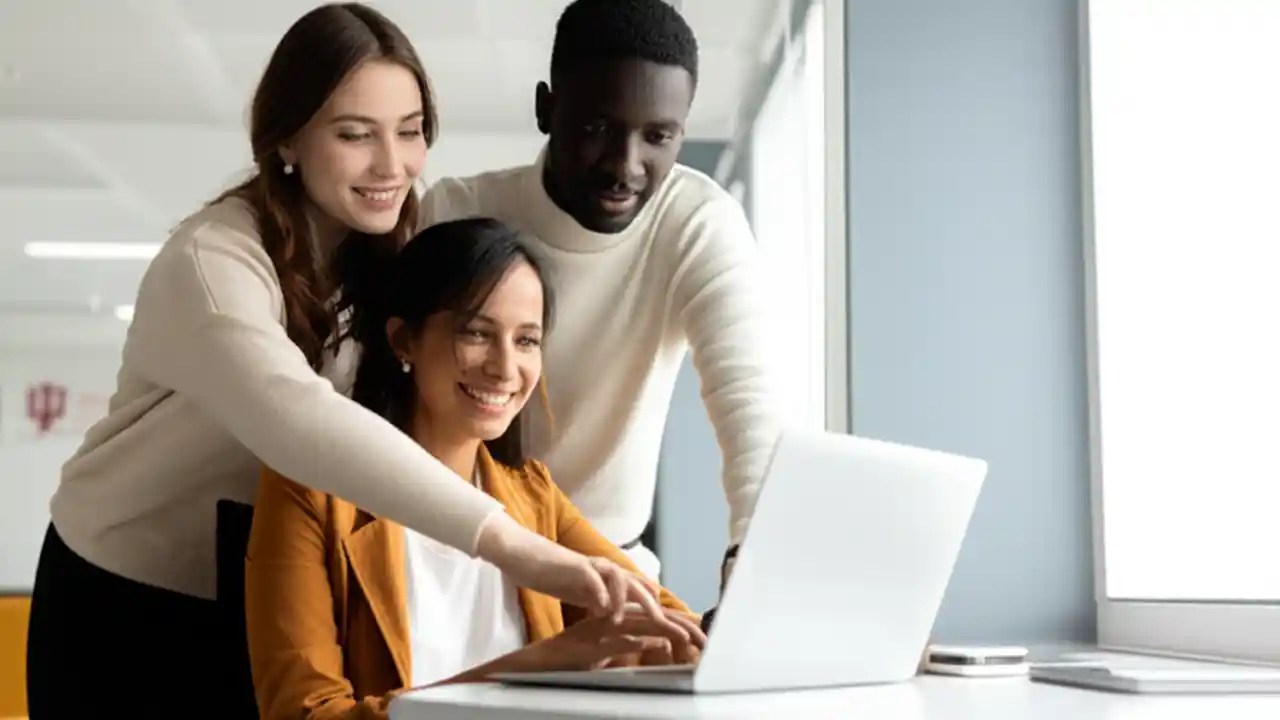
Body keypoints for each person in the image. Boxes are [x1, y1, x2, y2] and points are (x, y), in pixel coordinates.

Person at [25, 5, 669, 717]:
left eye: (411, 131)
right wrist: (510, 546)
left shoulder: (396, 243)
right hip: (129, 593)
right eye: (354, 134)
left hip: (262, 581)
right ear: (288, 139)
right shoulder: (214, 262)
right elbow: (296, 422)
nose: (392, 166)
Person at [246, 218, 704, 720]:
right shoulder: (308, 492)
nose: (505, 369)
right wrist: (530, 668)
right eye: (477, 333)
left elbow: (674, 632)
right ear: (403, 341)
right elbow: (301, 714)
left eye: (527, 341)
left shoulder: (533, 499)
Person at [417, 0, 781, 592]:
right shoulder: (457, 211)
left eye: (658, 137)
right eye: (596, 129)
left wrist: (756, 562)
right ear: (547, 108)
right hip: (463, 563)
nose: (625, 166)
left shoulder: (697, 221)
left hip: (613, 570)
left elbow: (750, 405)